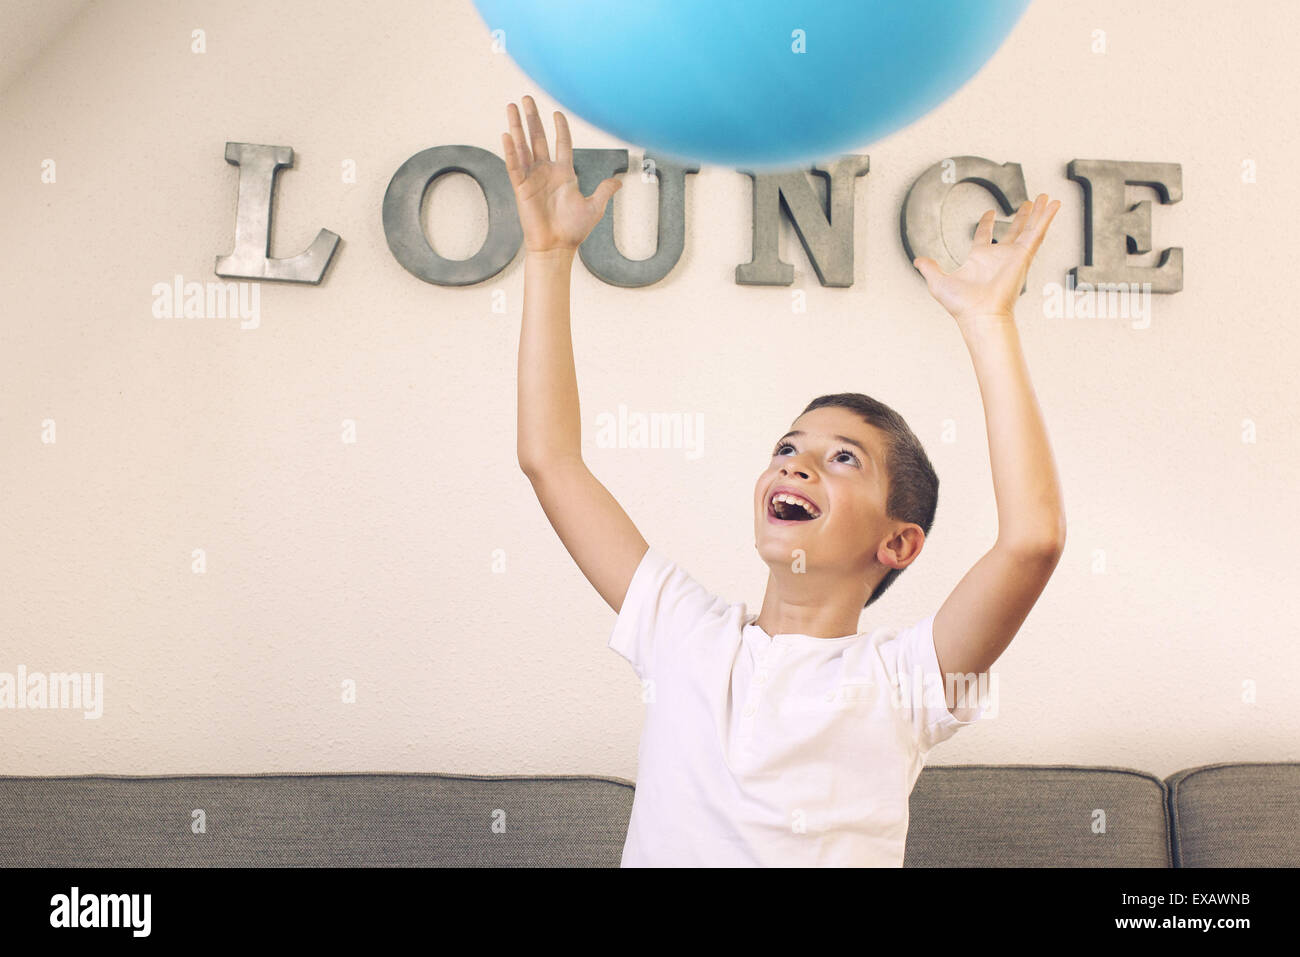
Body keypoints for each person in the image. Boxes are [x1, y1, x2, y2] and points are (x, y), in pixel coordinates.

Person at [505, 94, 1066, 866]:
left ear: (899, 543)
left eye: (844, 458)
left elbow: (1033, 540)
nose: (795, 462)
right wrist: (546, 259)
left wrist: (987, 322)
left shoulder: (903, 680)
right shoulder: (684, 631)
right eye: (788, 446)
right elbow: (550, 460)